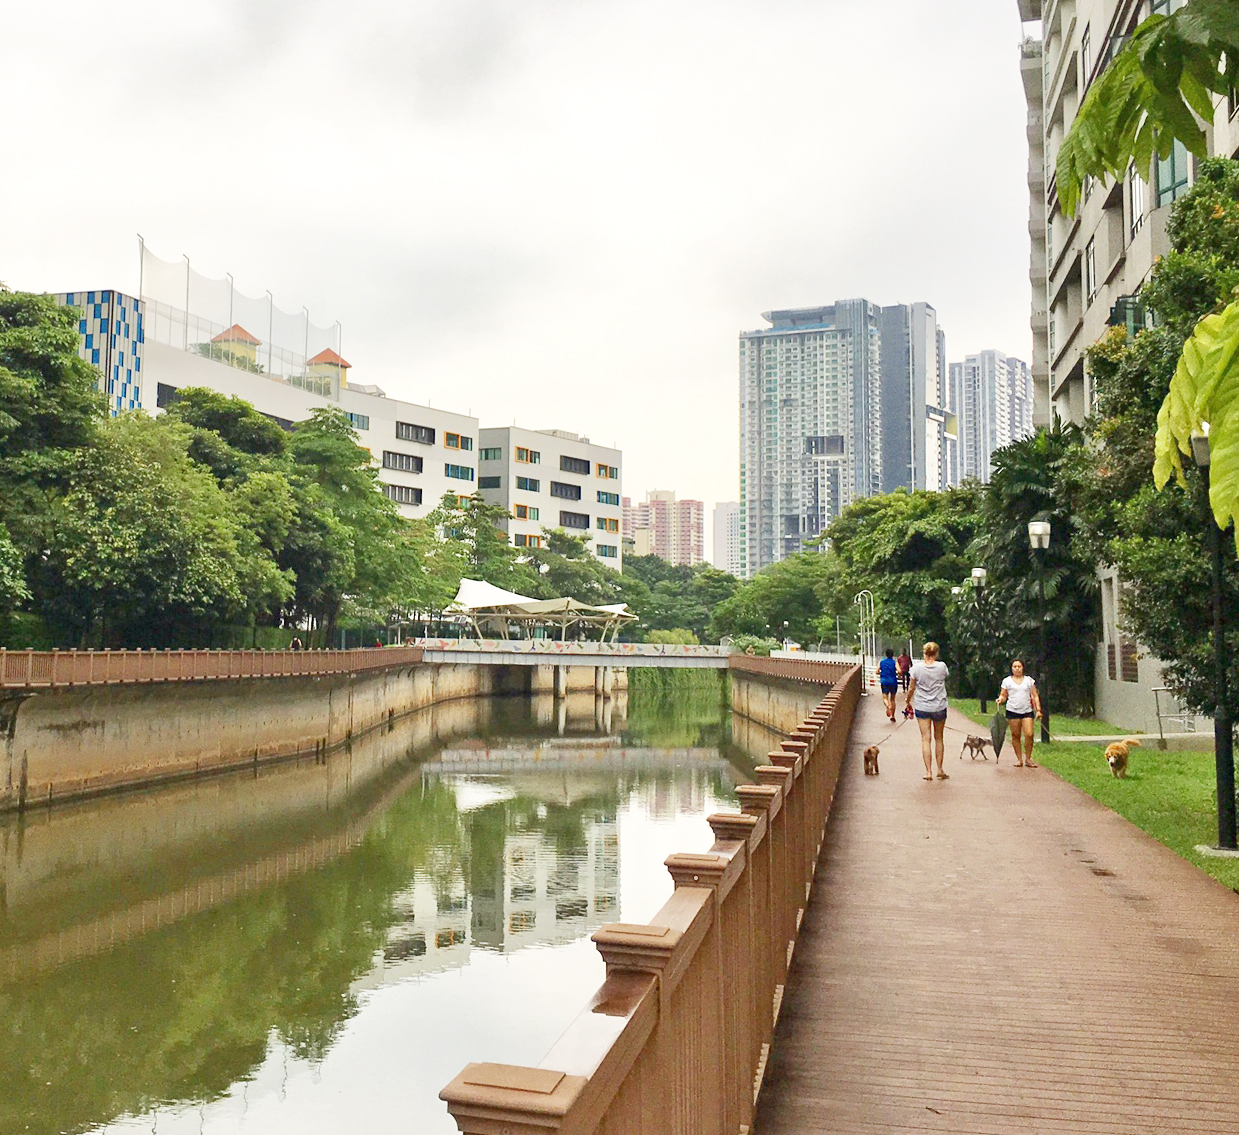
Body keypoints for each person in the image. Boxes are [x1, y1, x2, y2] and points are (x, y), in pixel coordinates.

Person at [905, 641, 950, 781]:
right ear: (936, 653)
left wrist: (907, 701)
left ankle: (928, 771)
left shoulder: (916, 668)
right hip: (939, 706)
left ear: (924, 653)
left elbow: (912, 688)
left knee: (925, 738)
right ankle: (940, 769)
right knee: (939, 738)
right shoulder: (942, 667)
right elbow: (944, 679)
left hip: (922, 706)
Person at [997, 658, 1042, 768]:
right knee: (1015, 735)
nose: (1017, 668)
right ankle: (1019, 759)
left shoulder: (1029, 681)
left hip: (1027, 711)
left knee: (1029, 734)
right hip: (1012, 710)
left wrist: (1038, 710)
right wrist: (1000, 699)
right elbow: (1004, 695)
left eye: (1019, 666)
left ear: (1023, 668)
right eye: (1014, 666)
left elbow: (1035, 696)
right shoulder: (1006, 681)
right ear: (1011, 669)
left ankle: (1028, 758)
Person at [878, 648, 899, 722]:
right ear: (893, 655)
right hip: (893, 681)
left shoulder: (882, 662)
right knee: (893, 699)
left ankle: (887, 705)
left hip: (884, 681)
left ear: (886, 654)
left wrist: (881, 673)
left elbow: (877, 671)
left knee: (885, 697)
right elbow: (900, 671)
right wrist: (896, 673)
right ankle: (893, 716)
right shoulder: (894, 662)